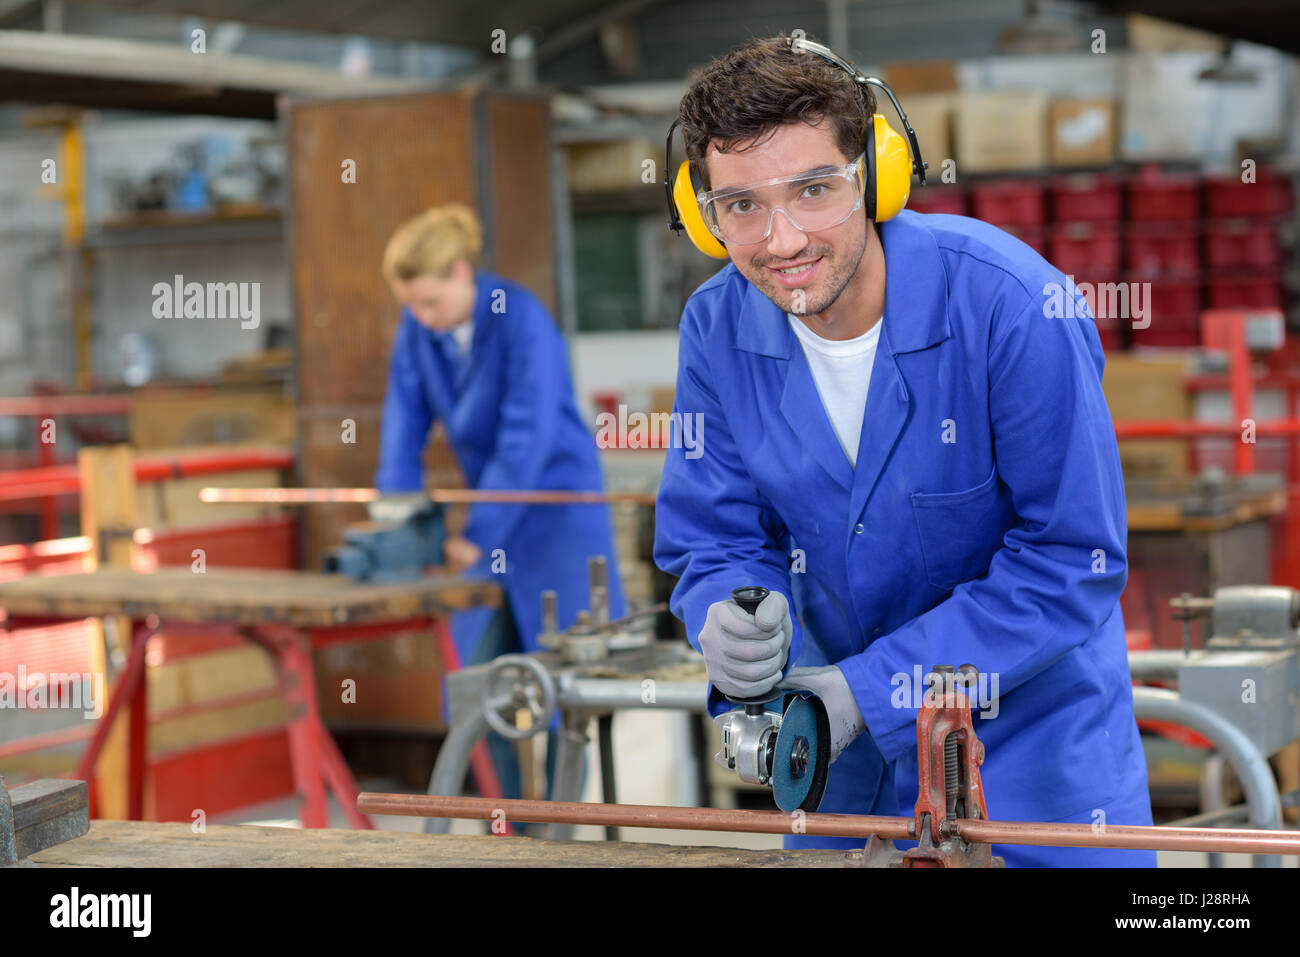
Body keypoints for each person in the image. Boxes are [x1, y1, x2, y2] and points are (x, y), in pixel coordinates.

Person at [653, 36, 1155, 866]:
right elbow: (717, 533)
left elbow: (1071, 560)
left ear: (880, 175)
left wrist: (870, 688)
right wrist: (726, 606)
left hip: (1029, 769)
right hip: (841, 779)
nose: (780, 242)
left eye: (815, 190)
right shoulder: (717, 326)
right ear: (703, 212)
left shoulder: (1014, 307)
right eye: (739, 205)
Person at [375, 203, 624, 800]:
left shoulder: (520, 318)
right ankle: (505, 833)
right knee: (478, 689)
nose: (420, 317)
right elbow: (402, 422)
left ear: (462, 273)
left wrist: (479, 533)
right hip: (491, 520)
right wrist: (394, 518)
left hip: (554, 513)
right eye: (409, 305)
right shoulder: (420, 330)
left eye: (430, 302)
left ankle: (556, 838)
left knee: (566, 695)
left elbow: (525, 438)